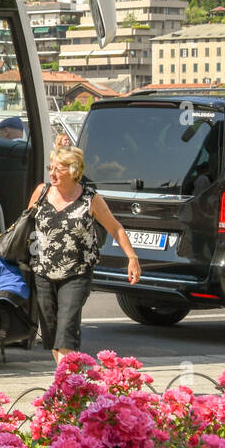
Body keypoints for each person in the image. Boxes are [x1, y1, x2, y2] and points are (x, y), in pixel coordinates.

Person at [28, 145, 140, 366]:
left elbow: (115, 228)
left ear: (73, 170)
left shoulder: (90, 198)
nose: (52, 174)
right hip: (42, 270)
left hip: (76, 272)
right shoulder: (41, 192)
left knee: (66, 328)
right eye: (51, 168)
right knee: (51, 333)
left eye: (58, 169)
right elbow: (24, 225)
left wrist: (132, 258)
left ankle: (66, 385)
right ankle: (71, 381)